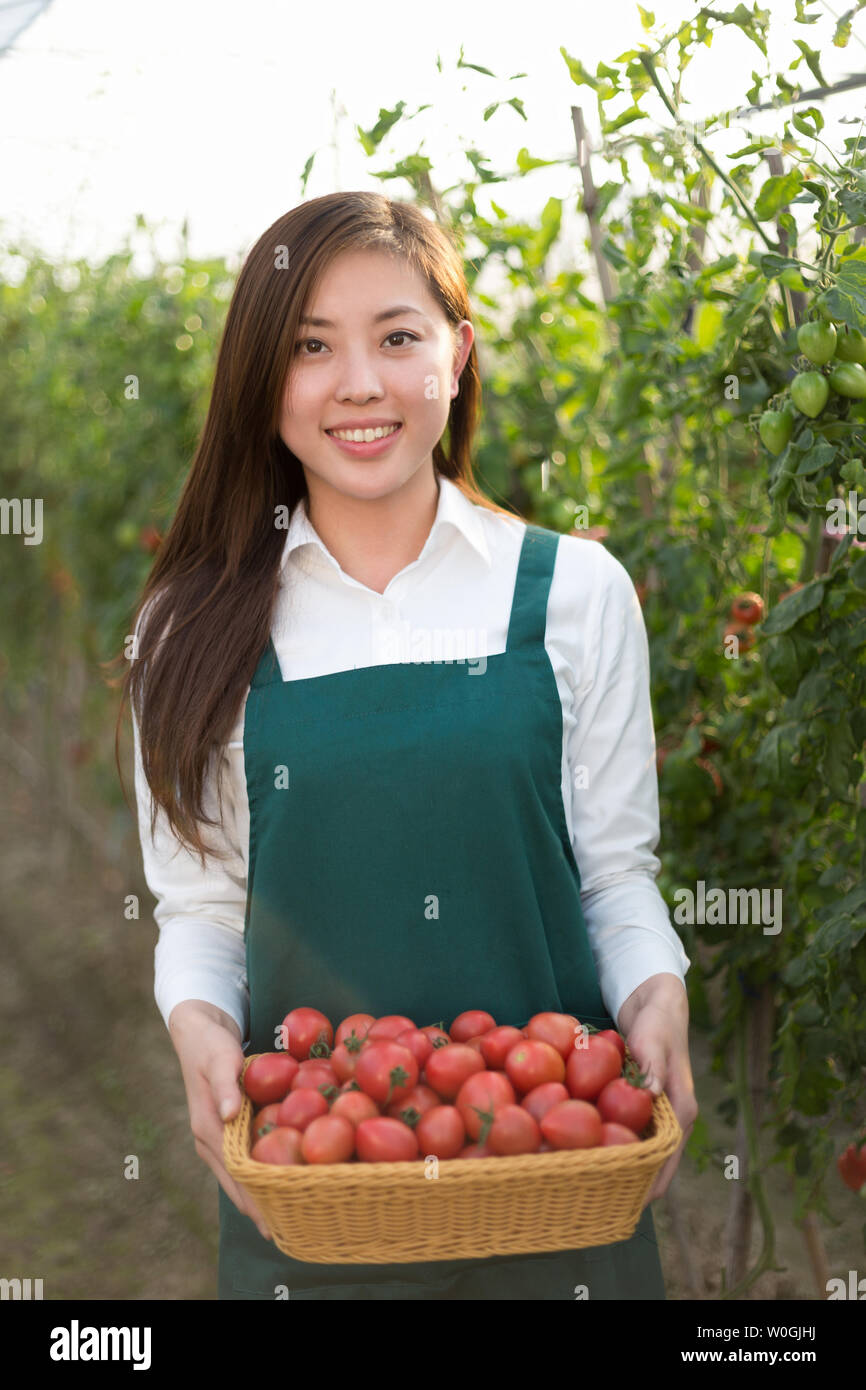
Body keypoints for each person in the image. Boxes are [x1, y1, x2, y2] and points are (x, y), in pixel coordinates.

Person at [123, 190, 698, 1301]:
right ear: (262, 382)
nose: (359, 383)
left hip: (556, 1176)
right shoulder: (188, 634)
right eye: (309, 347)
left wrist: (653, 993)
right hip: (317, 1199)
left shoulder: (573, 595)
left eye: (397, 337)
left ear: (457, 352)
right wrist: (197, 1029)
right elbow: (200, 909)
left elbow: (615, 878)